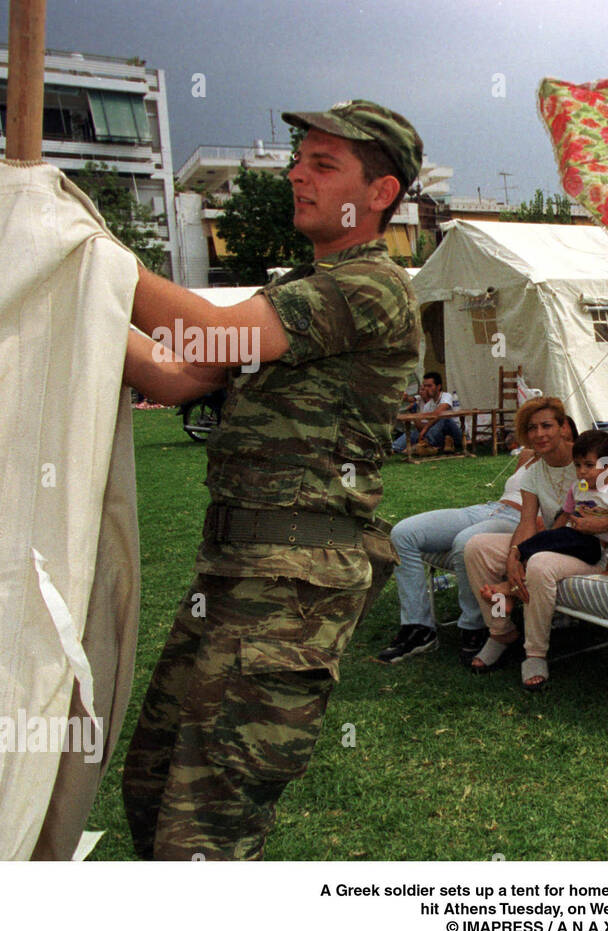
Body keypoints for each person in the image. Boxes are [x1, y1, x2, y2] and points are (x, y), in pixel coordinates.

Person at [118, 99, 424, 860]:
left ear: (380, 193)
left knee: (208, 828)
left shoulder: (372, 286)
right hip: (230, 576)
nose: (296, 174)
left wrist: (91, 257)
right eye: (300, 159)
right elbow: (182, 373)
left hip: (290, 592)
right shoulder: (302, 285)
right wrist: (76, 298)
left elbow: (209, 332)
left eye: (324, 164)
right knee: (153, 789)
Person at [463, 398, 608, 691]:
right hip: (558, 539)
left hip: (596, 551)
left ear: (563, 427)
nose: (539, 434)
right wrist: (513, 558)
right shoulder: (533, 472)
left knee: (540, 563)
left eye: (546, 426)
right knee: (476, 546)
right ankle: (501, 630)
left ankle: (535, 652)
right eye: (531, 428)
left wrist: (605, 524)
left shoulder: (594, 458)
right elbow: (527, 522)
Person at [379, 418, 578, 666]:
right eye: (538, 429)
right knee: (403, 533)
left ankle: (474, 627)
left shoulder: (577, 466)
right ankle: (418, 627)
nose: (544, 436)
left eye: (564, 435)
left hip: (520, 522)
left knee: (466, 542)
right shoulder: (528, 456)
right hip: (491, 509)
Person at [480, 429, 608, 613]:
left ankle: (515, 567)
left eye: (589, 465)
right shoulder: (577, 488)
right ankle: (513, 582)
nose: (582, 471)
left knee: (560, 539)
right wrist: (551, 537)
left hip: (598, 550)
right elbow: (564, 515)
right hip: (578, 543)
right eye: (577, 465)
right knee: (553, 541)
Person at [393, 371, 459, 455]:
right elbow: (422, 426)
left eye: (429, 386)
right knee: (416, 432)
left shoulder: (446, 396)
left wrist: (424, 430)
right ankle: (394, 448)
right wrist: (414, 415)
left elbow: (437, 414)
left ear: (438, 387)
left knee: (443, 419)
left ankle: (425, 444)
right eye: (425, 386)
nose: (426, 389)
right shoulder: (428, 404)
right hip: (440, 437)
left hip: (454, 436)